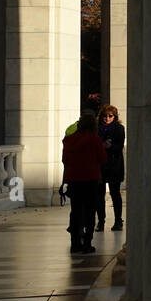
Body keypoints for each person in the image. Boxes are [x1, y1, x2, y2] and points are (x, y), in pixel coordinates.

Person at [62, 109, 106, 254]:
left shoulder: (69, 140)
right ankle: (87, 243)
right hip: (91, 179)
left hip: (74, 179)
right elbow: (102, 158)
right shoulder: (94, 139)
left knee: (75, 211)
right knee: (90, 211)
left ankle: (75, 243)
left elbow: (65, 160)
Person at [96, 104, 125, 232]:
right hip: (100, 165)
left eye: (110, 116)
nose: (107, 118)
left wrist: (109, 147)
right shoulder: (97, 129)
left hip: (114, 164)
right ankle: (101, 221)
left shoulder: (119, 128)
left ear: (115, 116)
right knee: (99, 194)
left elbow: (119, 147)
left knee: (115, 193)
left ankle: (118, 220)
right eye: (104, 116)